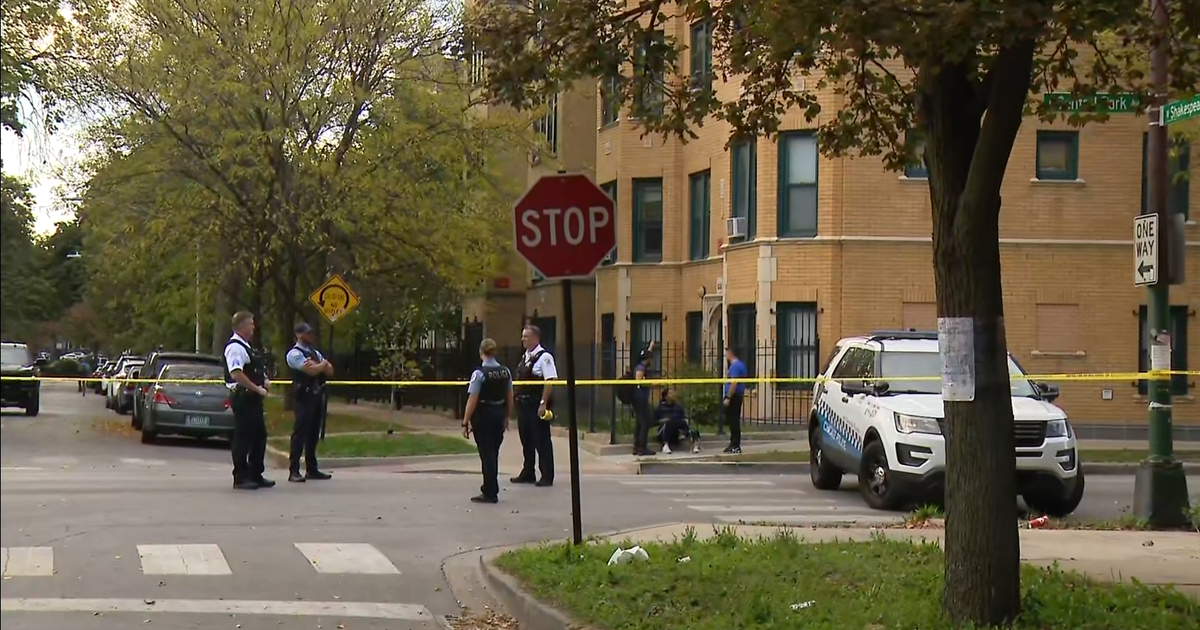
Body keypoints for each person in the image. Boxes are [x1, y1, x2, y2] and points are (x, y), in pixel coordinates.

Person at [223, 311, 274, 490]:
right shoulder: (235, 347)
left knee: (259, 436)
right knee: (243, 437)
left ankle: (255, 474)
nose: (253, 327)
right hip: (243, 397)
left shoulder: (246, 346)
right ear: (242, 326)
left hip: (252, 398)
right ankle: (240, 477)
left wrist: (264, 380)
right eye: (251, 324)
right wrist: (256, 388)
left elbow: (252, 368)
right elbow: (236, 373)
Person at [462, 338, 513, 503]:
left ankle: (490, 491)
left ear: (481, 352)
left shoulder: (479, 374)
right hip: (499, 414)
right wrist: (507, 416)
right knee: (493, 452)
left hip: (484, 416)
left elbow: (472, 400)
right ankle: (490, 487)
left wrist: (465, 421)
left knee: (487, 454)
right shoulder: (505, 372)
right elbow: (510, 397)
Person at [286, 322, 333, 483]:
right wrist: (321, 365)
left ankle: (312, 469)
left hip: (316, 395)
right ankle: (294, 470)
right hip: (303, 396)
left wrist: (320, 365)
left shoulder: (314, 352)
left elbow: (330, 370)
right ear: (298, 335)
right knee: (300, 433)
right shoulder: (294, 354)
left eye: (311, 333)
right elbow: (311, 371)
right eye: (307, 333)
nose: (310, 336)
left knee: (313, 433)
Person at [510, 325, 557, 487]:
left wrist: (543, 403)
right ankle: (528, 471)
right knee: (526, 439)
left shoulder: (544, 357)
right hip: (523, 405)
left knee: (541, 440)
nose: (523, 339)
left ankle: (547, 475)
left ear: (536, 338)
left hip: (536, 404)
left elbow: (549, 382)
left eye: (526, 336)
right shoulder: (525, 356)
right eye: (523, 336)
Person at [631, 341, 657, 456]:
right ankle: (642, 447)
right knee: (645, 422)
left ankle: (637, 446)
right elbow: (639, 381)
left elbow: (647, 353)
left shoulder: (641, 365)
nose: (652, 360)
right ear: (648, 359)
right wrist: (651, 382)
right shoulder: (641, 368)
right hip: (639, 398)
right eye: (650, 358)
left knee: (639, 423)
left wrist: (651, 347)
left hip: (640, 398)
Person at [723, 347, 748, 455]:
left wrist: (728, 397)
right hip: (736, 395)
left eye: (726, 353)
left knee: (733, 421)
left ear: (731, 353)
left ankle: (735, 445)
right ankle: (733, 444)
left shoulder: (735, 366)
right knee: (733, 420)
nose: (726, 355)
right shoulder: (740, 365)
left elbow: (734, 383)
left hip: (734, 396)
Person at [654, 387, 689, 454]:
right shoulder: (660, 408)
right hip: (663, 433)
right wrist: (662, 421)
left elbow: (683, 418)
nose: (673, 395)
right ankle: (665, 445)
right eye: (671, 393)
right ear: (666, 396)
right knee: (669, 421)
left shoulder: (678, 407)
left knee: (681, 422)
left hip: (675, 432)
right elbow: (653, 422)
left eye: (674, 393)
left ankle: (692, 442)